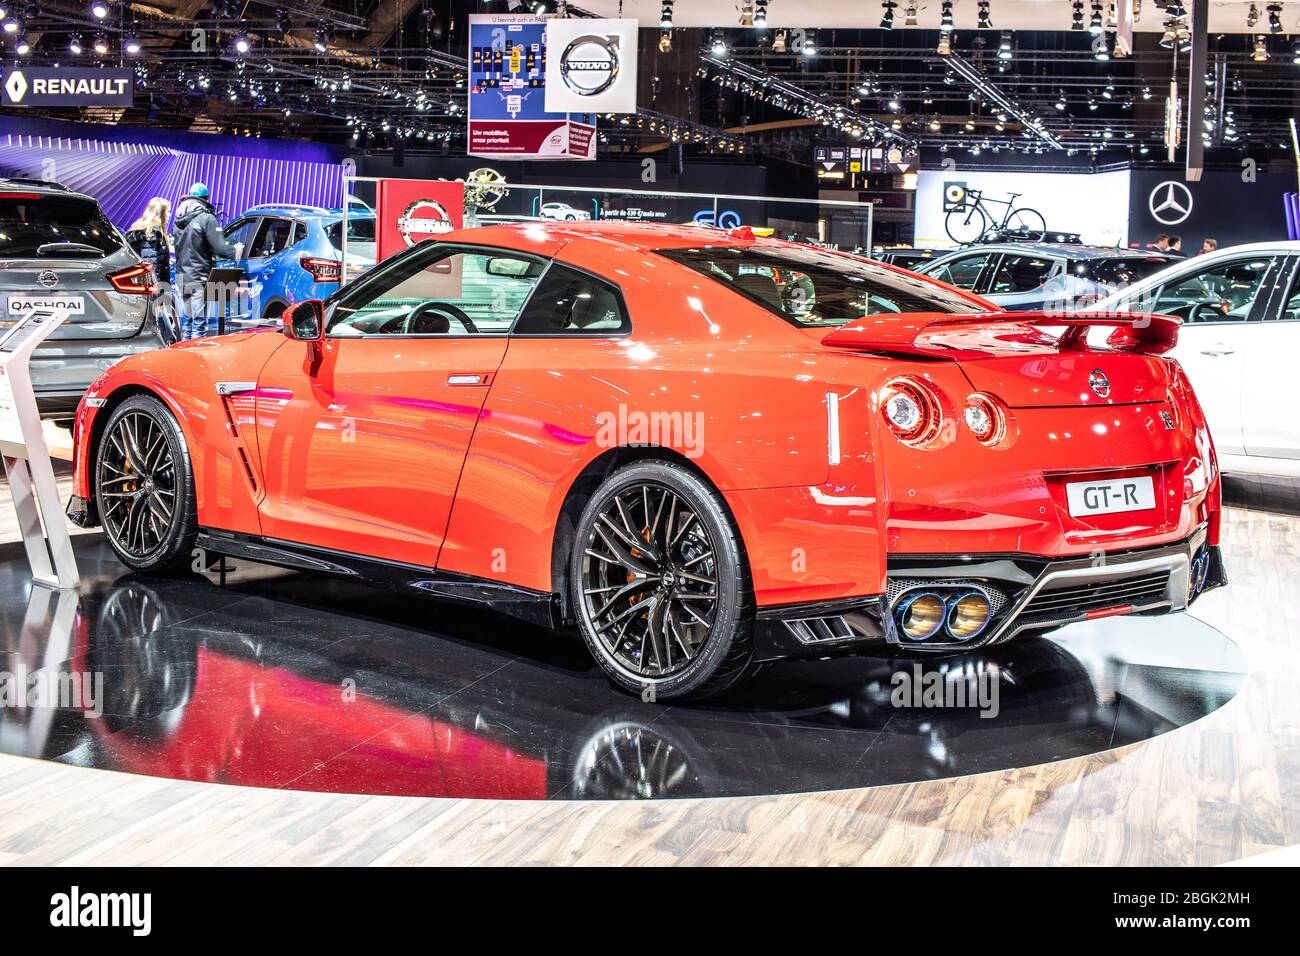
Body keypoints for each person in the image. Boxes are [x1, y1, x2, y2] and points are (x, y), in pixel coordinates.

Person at [172, 183, 237, 339]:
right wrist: (235, 251)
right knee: (199, 325)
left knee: (186, 324)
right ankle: (195, 359)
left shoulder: (178, 219)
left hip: (182, 275)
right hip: (199, 276)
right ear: (206, 199)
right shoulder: (206, 218)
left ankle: (184, 357)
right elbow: (220, 248)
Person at [125, 197, 179, 342]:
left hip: (136, 289)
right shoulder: (151, 236)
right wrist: (159, 294)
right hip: (150, 290)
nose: (168, 216)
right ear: (160, 214)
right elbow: (151, 267)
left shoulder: (136, 231)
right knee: (158, 330)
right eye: (167, 212)